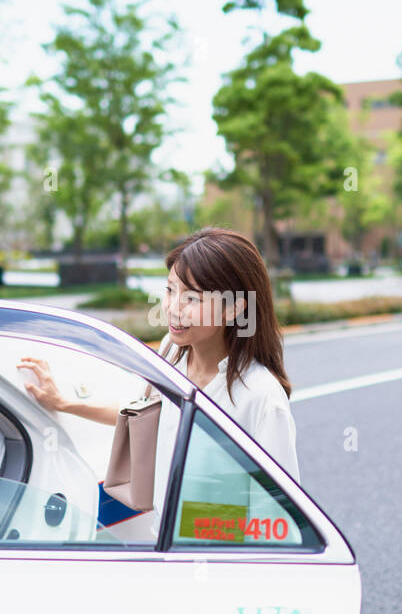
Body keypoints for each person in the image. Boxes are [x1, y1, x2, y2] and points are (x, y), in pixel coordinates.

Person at [17, 227, 299, 538]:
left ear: (234, 307)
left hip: (220, 563)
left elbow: (278, 517)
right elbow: (147, 413)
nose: (174, 307)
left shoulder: (260, 396)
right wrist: (64, 403)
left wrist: (193, 527)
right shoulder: (172, 352)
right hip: (166, 545)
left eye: (192, 297)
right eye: (170, 290)